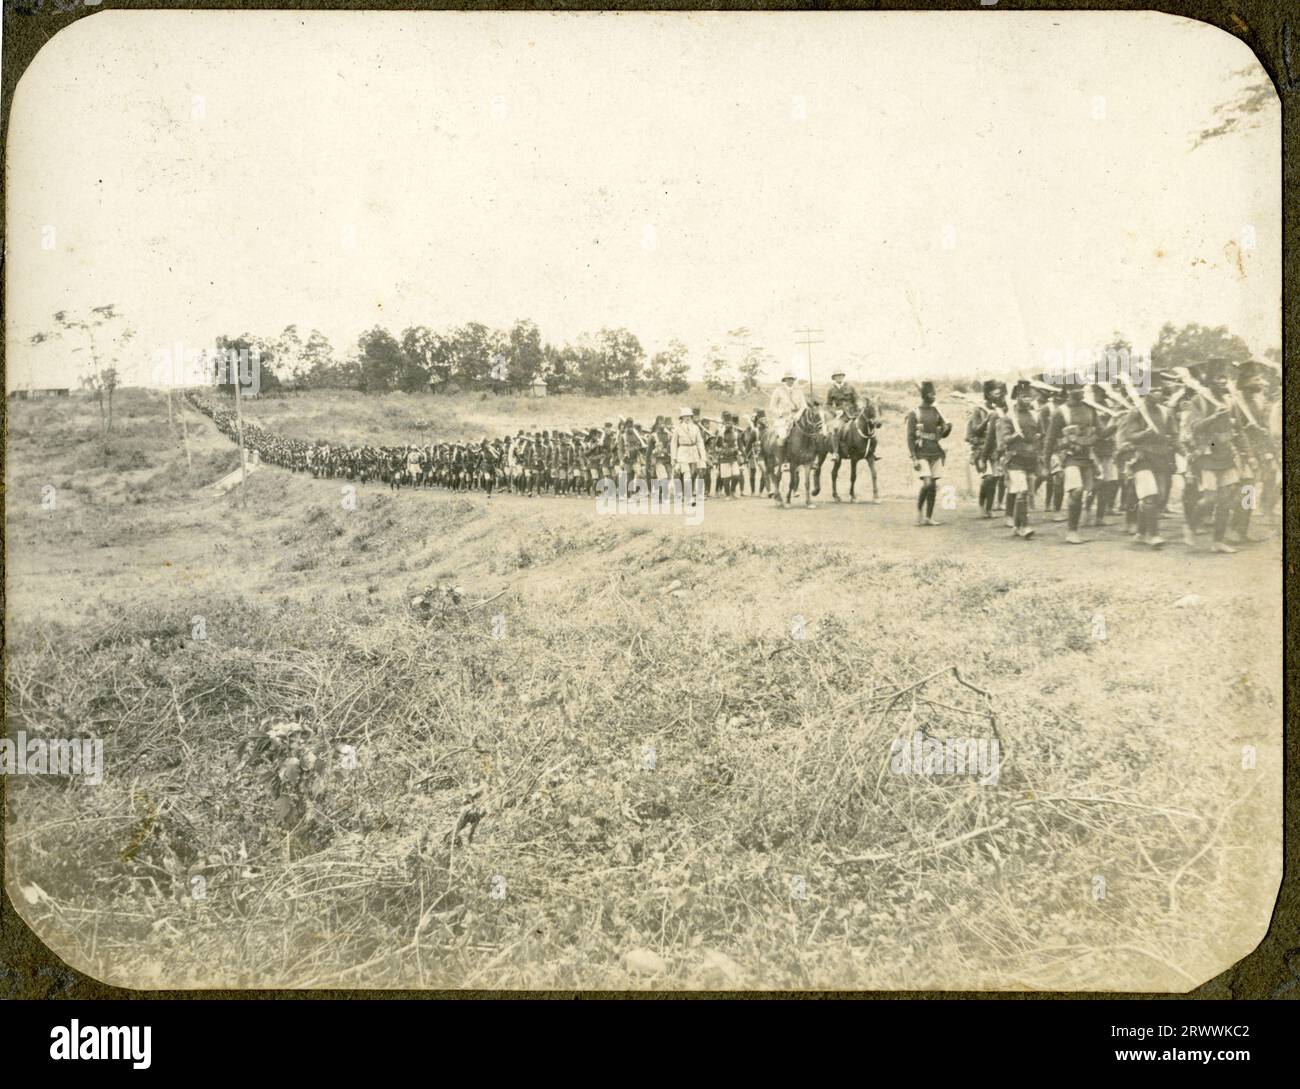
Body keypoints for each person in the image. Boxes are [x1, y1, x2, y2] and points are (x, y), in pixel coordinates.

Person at [1185, 359, 1242, 554]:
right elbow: (1193, 427)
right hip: (1207, 453)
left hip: (1225, 453)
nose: (1223, 381)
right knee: (1209, 499)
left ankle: (1217, 541)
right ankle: (1191, 526)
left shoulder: (1229, 401)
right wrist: (1214, 417)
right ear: (1210, 380)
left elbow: (1238, 429)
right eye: (1219, 377)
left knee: (1226, 499)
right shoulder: (1198, 400)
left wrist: (1248, 453)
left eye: (1225, 377)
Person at [1116, 374, 1176, 547]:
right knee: (1149, 496)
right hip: (1142, 457)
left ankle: (1141, 532)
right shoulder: (1136, 412)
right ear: (1145, 392)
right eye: (1153, 390)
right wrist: (1146, 433)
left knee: (1160, 497)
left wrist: (1184, 451)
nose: (1157, 393)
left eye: (1159, 390)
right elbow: (1130, 435)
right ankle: (1153, 534)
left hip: (1162, 458)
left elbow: (1174, 436)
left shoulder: (1165, 412)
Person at [1045, 385, 1100, 545]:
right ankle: (1072, 531)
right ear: (1068, 391)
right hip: (1069, 456)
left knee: (1090, 490)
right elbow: (1050, 438)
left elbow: (1101, 432)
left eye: (1083, 388)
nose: (1081, 391)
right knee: (1076, 491)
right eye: (1077, 388)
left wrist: (1116, 422)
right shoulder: (1061, 412)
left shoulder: (1090, 409)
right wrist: (1046, 462)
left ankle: (1078, 524)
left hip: (1088, 457)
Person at [994, 379, 1042, 539]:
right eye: (1023, 396)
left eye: (1029, 397)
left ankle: (1016, 525)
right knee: (1021, 492)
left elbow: (1040, 435)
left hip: (1030, 459)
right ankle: (1024, 527)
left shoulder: (1035, 415)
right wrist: (1015, 435)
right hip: (1014, 461)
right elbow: (1003, 440)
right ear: (1017, 398)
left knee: (1027, 493)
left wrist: (1038, 438)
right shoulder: (1008, 418)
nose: (1027, 400)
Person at [905, 380, 952, 526]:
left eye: (934, 393)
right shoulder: (914, 413)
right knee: (926, 483)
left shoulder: (936, 411)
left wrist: (948, 427)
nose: (934, 396)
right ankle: (919, 511)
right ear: (924, 395)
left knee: (933, 486)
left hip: (935, 451)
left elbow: (943, 434)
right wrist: (913, 457)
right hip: (921, 453)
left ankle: (929, 517)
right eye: (931, 394)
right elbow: (910, 437)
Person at [767, 370, 808, 454]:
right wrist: (781, 413)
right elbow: (772, 407)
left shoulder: (798, 391)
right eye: (788, 379)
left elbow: (804, 406)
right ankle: (782, 458)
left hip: (798, 418)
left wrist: (798, 414)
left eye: (792, 379)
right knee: (783, 436)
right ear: (785, 380)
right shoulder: (778, 391)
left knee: (809, 434)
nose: (790, 381)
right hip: (783, 419)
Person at [670, 407, 708, 496]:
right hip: (682, 453)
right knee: (686, 474)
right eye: (685, 416)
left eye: (689, 416)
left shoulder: (695, 428)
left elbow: (700, 442)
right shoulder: (678, 429)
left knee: (693, 474)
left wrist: (703, 456)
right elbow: (673, 444)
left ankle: (688, 493)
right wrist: (674, 458)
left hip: (693, 453)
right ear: (682, 417)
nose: (687, 418)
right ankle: (686, 495)